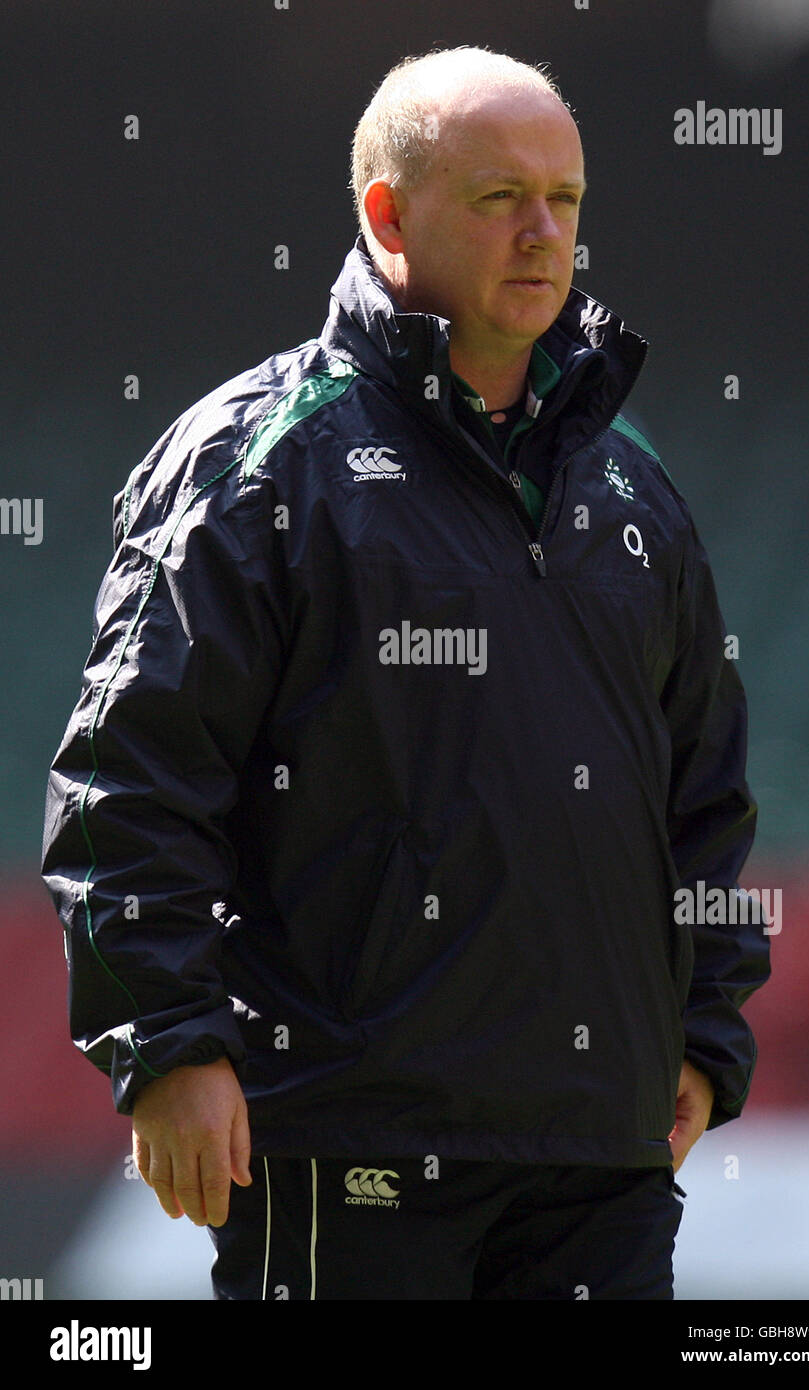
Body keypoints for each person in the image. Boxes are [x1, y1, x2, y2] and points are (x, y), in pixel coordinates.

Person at [41, 45, 771, 1300]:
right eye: (499, 199)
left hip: (601, 1162)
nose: (544, 234)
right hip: (348, 1149)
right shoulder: (256, 462)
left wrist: (703, 1032)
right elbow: (126, 779)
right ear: (387, 214)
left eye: (567, 200)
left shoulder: (630, 483)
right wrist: (164, 1049)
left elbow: (702, 796)